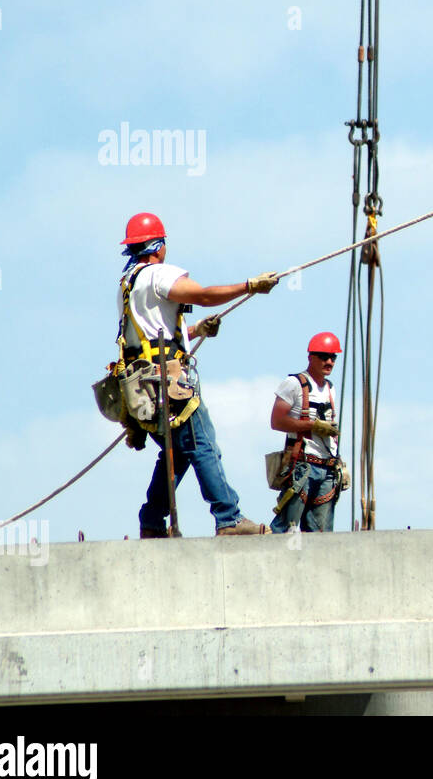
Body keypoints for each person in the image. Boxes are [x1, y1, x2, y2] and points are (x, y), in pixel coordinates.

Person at [114, 211, 279, 538]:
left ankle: (152, 519)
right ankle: (228, 517)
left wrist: (194, 330)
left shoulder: (129, 283)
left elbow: (148, 335)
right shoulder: (159, 274)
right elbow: (203, 295)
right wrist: (250, 286)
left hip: (145, 384)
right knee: (203, 444)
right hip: (170, 383)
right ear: (159, 246)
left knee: (177, 450)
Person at [269, 332, 346, 533]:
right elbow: (277, 421)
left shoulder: (330, 388)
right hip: (303, 466)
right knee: (288, 529)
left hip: (327, 467)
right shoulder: (294, 383)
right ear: (311, 357)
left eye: (333, 357)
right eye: (323, 356)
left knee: (321, 535)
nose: (329, 361)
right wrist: (312, 426)